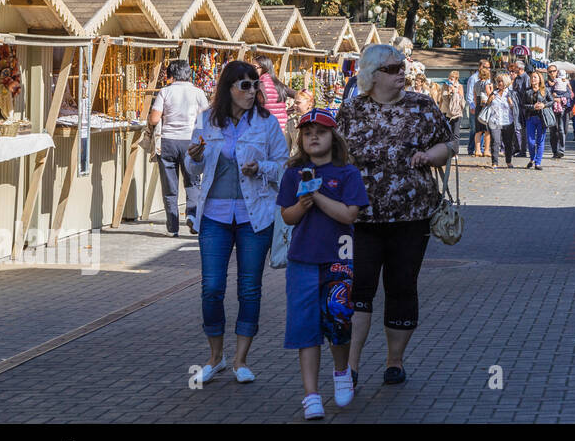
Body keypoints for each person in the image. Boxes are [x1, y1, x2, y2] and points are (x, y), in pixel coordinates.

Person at [336, 43, 453, 387]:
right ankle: (352, 367)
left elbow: (448, 144)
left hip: (411, 216)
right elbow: (334, 154)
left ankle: (394, 362)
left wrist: (431, 155)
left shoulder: (422, 105)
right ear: (372, 76)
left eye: (402, 67)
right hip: (362, 218)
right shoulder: (351, 110)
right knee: (359, 288)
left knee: (402, 286)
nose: (402, 73)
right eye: (393, 69)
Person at [184, 60, 290, 384]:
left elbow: (284, 166)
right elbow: (192, 169)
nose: (251, 90)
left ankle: (241, 360)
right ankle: (215, 356)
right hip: (214, 215)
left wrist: (262, 168)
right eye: (244, 85)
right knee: (212, 288)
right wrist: (195, 156)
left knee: (249, 289)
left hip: (254, 216)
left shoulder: (266, 123)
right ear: (228, 88)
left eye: (254, 84)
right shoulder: (207, 121)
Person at [277, 109, 368, 419]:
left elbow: (349, 214)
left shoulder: (347, 173)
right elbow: (287, 216)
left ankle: (342, 372)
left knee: (338, 323)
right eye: (307, 132)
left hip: (339, 261)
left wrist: (316, 197)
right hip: (302, 261)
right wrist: (301, 205)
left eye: (321, 131)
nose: (313, 136)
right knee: (305, 329)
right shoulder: (293, 173)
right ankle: (311, 395)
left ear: (334, 137)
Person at [149, 60, 209, 236]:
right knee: (192, 182)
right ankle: (192, 215)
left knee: (170, 187)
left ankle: (172, 227)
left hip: (167, 142)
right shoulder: (198, 93)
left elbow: (154, 119)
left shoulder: (165, 92)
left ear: (171, 75)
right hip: (191, 143)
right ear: (188, 74)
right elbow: (206, 118)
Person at [254, 55, 297, 134]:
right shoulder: (279, 85)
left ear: (264, 68)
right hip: (282, 128)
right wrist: (287, 112)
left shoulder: (259, 85)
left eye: (254, 67)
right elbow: (300, 95)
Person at [483, 73, 519, 167]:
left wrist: (511, 104)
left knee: (508, 143)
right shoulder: (493, 93)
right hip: (495, 121)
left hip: (508, 121)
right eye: (498, 81)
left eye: (501, 81)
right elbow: (487, 107)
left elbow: (516, 109)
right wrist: (489, 100)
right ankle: (494, 162)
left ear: (506, 82)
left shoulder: (511, 94)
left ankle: (508, 161)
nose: (499, 83)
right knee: (495, 141)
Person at [522, 70, 553, 170]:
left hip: (542, 118)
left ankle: (537, 163)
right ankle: (532, 159)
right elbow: (523, 104)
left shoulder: (545, 90)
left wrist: (544, 105)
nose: (533, 79)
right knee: (530, 141)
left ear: (540, 79)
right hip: (530, 117)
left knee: (540, 140)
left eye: (535, 77)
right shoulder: (527, 91)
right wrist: (533, 106)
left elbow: (551, 101)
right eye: (531, 77)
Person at [465, 59, 491, 155]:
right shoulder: (473, 78)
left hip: (480, 106)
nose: (488, 69)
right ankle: (472, 149)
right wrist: (472, 106)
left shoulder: (486, 79)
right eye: (486, 67)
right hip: (478, 106)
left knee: (481, 129)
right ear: (481, 67)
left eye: (489, 67)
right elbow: (470, 94)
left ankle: (479, 149)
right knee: (476, 129)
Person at [547, 64, 570, 158]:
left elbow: (569, 94)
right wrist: (553, 98)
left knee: (562, 129)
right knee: (553, 131)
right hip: (551, 109)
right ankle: (555, 151)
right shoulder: (546, 83)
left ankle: (562, 149)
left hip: (563, 109)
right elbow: (544, 94)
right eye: (550, 71)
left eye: (554, 71)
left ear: (557, 71)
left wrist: (559, 98)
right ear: (548, 73)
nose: (552, 73)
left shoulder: (563, 81)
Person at [443, 70, 466, 142]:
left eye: (452, 78)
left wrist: (454, 91)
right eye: (449, 77)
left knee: (455, 133)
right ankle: (447, 151)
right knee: (446, 133)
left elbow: (461, 100)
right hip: (445, 112)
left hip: (456, 113)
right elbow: (441, 99)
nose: (450, 79)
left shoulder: (459, 86)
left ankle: (455, 152)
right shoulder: (444, 86)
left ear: (456, 79)